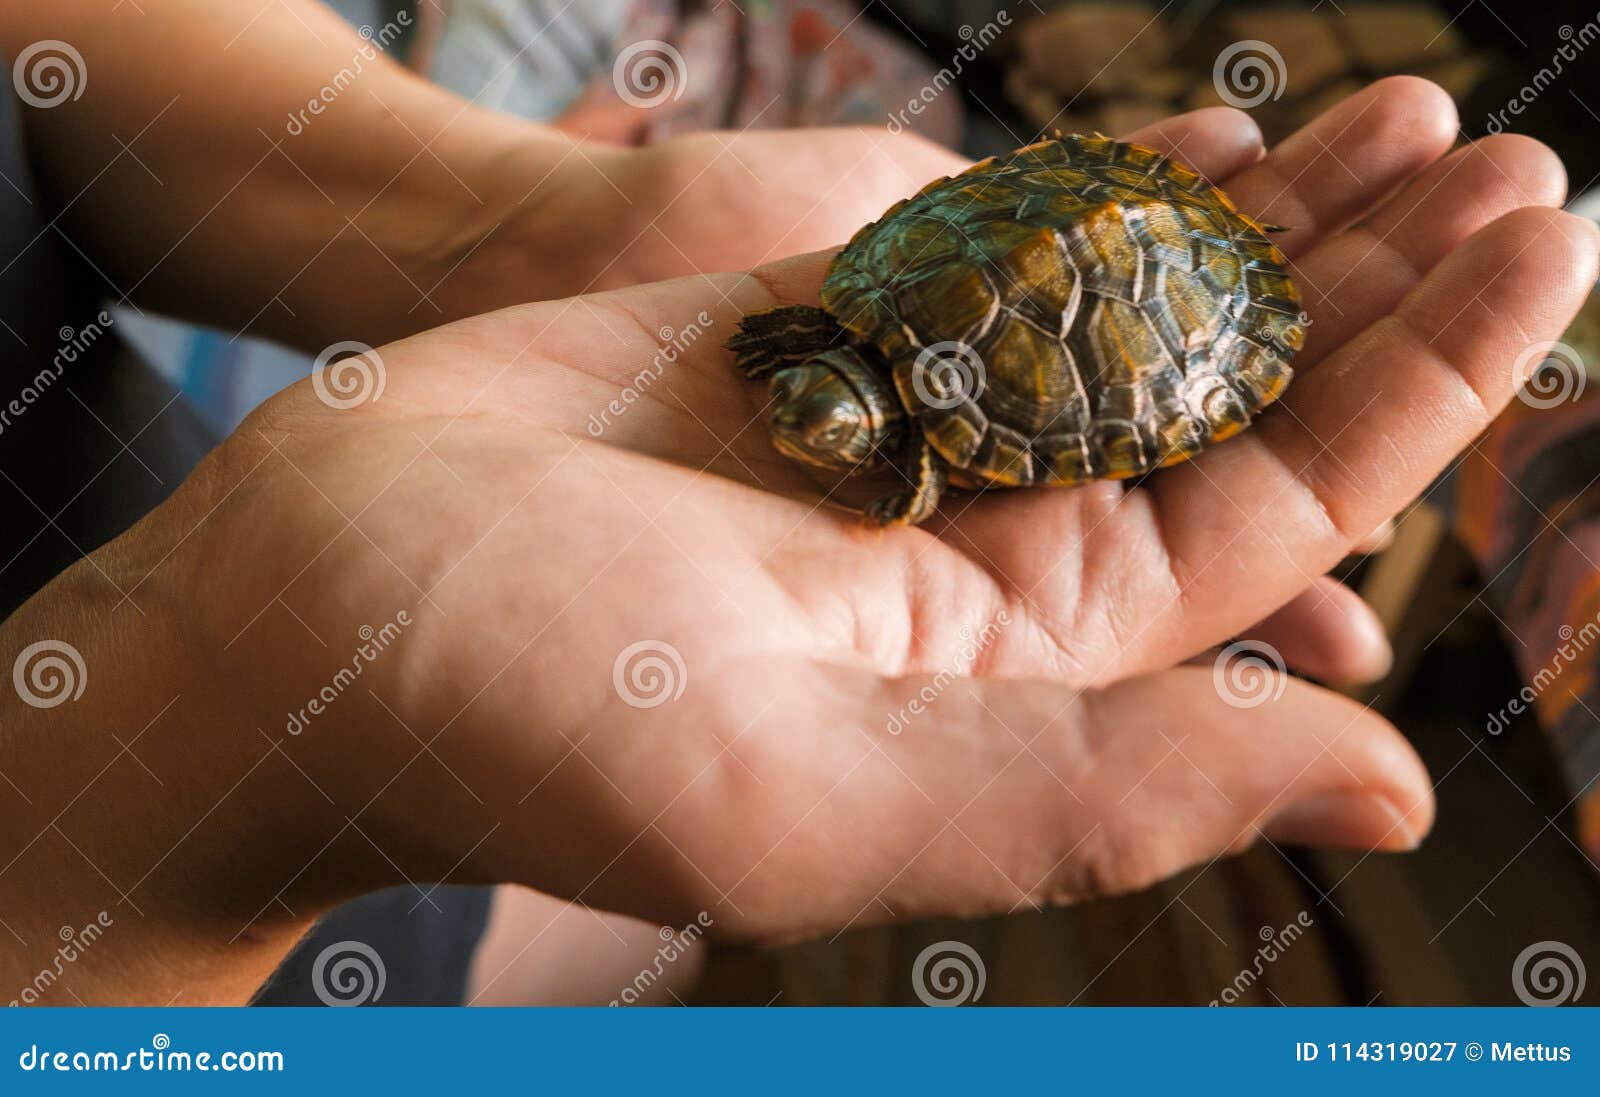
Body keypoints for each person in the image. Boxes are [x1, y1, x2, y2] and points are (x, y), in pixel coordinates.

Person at [0, 3, 1593, 1005]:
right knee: (537, 927)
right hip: (179, 923)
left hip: (115, 483)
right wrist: (199, 745)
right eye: (815, 418)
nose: (800, 421)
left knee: (537, 904)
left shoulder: (854, 324)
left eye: (817, 416)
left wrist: (526, 226)